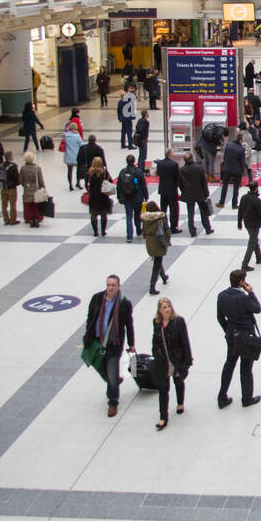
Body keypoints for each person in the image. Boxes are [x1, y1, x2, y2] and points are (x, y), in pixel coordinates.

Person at [84, 275, 136, 417]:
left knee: (112, 372)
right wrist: (87, 337)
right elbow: (90, 317)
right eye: (108, 285)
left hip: (114, 344)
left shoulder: (124, 303)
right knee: (98, 365)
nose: (110, 287)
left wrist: (131, 343)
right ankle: (113, 382)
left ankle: (113, 402)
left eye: (113, 285)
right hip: (97, 341)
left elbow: (129, 324)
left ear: (118, 286)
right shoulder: (97, 298)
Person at [216, 269, 261, 409]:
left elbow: (220, 317)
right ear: (242, 282)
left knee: (229, 365)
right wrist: (251, 292)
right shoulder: (243, 297)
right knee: (246, 368)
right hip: (245, 336)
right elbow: (257, 309)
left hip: (232, 336)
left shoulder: (222, 296)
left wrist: (229, 331)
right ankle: (246, 398)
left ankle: (222, 396)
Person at [151, 298, 192, 430]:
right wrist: (156, 354)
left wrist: (187, 360)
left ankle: (180, 402)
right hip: (162, 361)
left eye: (168, 306)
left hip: (176, 360)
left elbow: (185, 341)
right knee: (163, 389)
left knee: (178, 381)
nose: (167, 309)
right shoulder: (156, 323)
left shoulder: (178, 322)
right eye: (164, 307)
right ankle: (163, 417)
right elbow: (155, 340)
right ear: (160, 310)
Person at [179, 151, 212, 235]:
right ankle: (207, 228)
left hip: (188, 194)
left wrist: (183, 191)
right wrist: (206, 193)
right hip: (199, 193)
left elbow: (180, 183)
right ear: (192, 158)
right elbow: (203, 182)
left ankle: (192, 231)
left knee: (190, 213)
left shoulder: (182, 170)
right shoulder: (199, 168)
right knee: (204, 212)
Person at [116, 153, 147, 243]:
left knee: (129, 216)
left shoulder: (122, 172)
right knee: (137, 214)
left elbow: (119, 185)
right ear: (134, 161)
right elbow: (143, 184)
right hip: (137, 197)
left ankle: (129, 235)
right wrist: (146, 196)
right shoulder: (138, 171)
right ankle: (138, 230)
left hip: (126, 197)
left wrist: (119, 196)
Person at [141, 201, 171, 295]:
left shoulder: (145, 218)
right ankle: (152, 287)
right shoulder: (161, 217)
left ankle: (164, 277)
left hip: (149, 242)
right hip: (159, 240)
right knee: (157, 264)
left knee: (158, 259)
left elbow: (144, 233)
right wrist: (168, 240)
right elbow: (166, 229)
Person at [237, 180, 261, 271]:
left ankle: (259, 257)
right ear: (256, 188)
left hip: (247, 223)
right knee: (251, 243)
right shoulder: (257, 200)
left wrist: (239, 222)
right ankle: (244, 264)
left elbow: (240, 210)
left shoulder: (243, 197)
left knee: (254, 240)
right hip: (254, 224)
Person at [217, 131, 249, 208]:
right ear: (242, 139)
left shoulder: (228, 145)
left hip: (227, 168)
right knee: (236, 187)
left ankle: (221, 202)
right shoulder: (241, 149)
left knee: (225, 185)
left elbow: (225, 157)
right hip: (237, 170)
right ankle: (234, 204)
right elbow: (242, 161)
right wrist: (243, 171)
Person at [86, 156, 114, 238]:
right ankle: (103, 231)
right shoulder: (104, 172)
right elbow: (111, 181)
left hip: (93, 196)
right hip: (103, 195)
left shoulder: (89, 173)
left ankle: (95, 231)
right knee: (103, 214)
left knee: (93, 214)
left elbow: (86, 184)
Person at [156, 148, 180, 234]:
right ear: (170, 154)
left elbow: (158, 173)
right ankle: (173, 227)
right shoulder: (174, 164)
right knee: (173, 209)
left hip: (163, 189)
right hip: (172, 190)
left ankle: (163, 226)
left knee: (163, 209)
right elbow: (177, 178)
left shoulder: (160, 163)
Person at [0, 151, 20, 225]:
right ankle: (12, 220)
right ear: (10, 157)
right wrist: (18, 183)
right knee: (12, 205)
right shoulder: (13, 166)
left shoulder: (0, 165)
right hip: (12, 188)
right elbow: (17, 178)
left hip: (3, 188)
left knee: (4, 204)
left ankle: (6, 219)